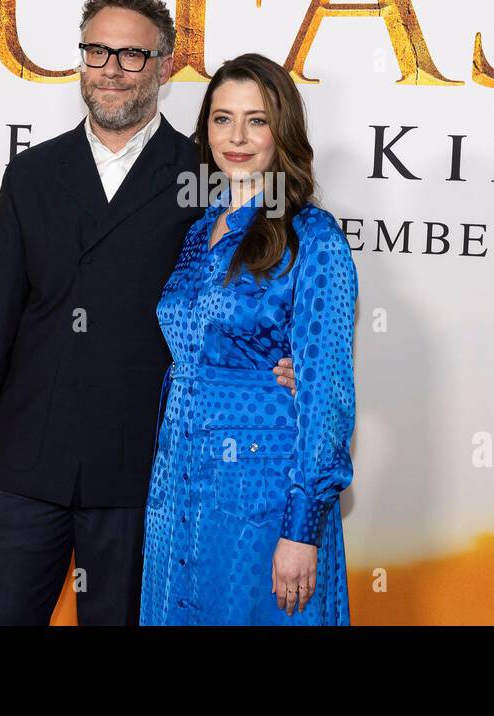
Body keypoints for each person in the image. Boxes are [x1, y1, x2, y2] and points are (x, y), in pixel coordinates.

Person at [0, 0, 296, 625]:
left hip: (143, 470)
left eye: (132, 56)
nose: (111, 68)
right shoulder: (31, 174)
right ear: (81, 60)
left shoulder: (207, 175)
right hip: (26, 466)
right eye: (96, 51)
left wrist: (295, 363)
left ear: (164, 67)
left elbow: (269, 278)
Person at [139, 53, 359, 625]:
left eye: (256, 120)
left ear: (281, 130)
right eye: (221, 119)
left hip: (263, 492)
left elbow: (327, 393)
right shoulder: (195, 231)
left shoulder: (313, 237)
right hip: (180, 478)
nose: (236, 137)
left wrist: (302, 529)